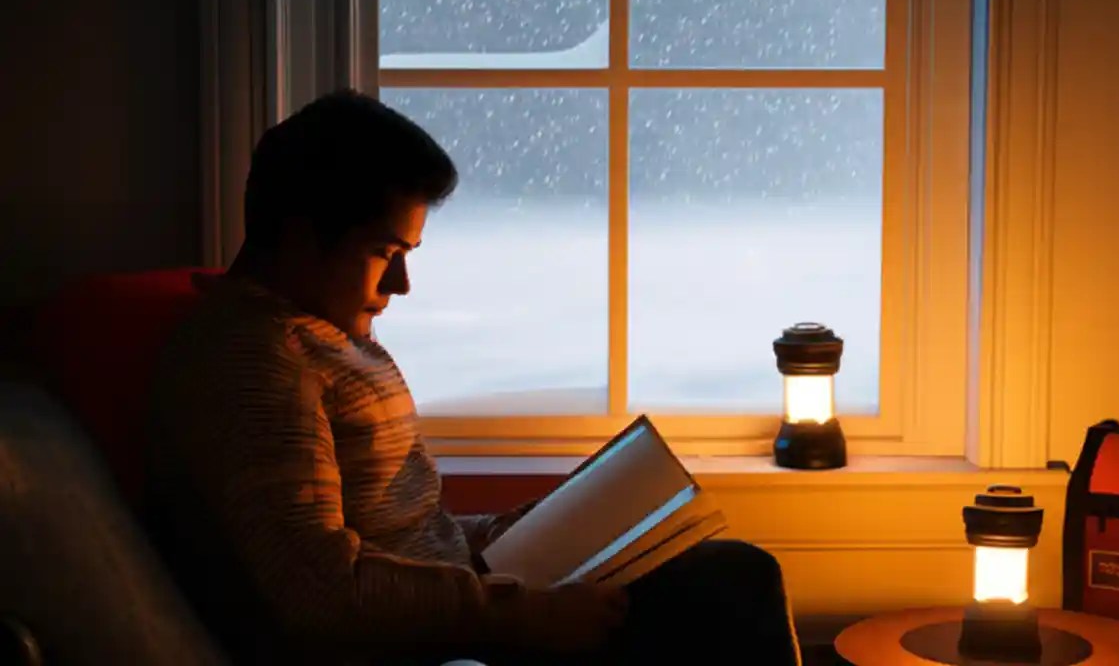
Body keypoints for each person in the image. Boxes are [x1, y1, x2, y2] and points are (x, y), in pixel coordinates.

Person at [144, 89, 801, 666]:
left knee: (723, 573)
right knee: (731, 592)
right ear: (299, 233)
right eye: (385, 253)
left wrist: (525, 532)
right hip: (432, 646)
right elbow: (319, 592)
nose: (402, 285)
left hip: (465, 611)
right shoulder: (256, 361)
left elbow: (409, 532)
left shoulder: (321, 335)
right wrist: (521, 615)